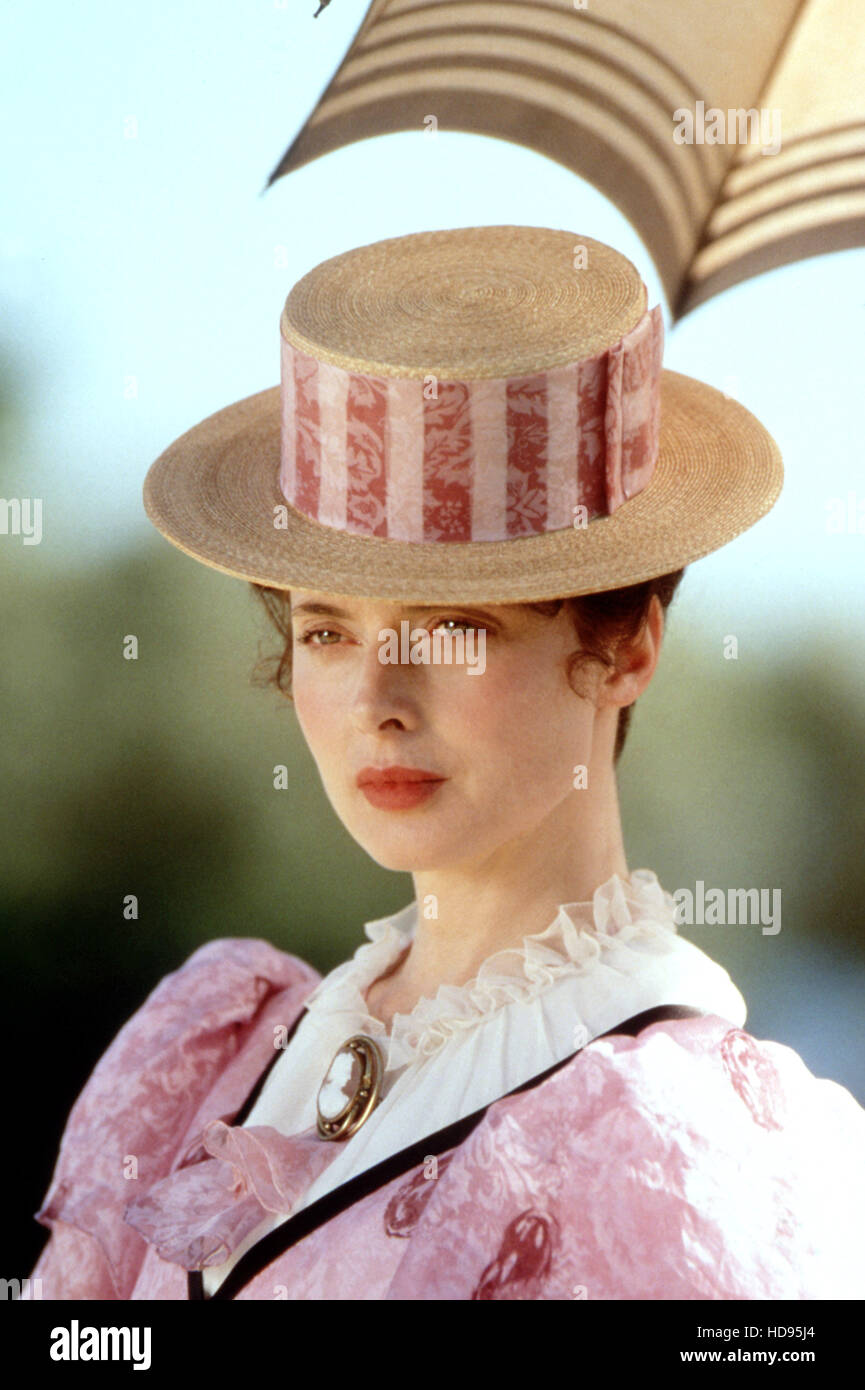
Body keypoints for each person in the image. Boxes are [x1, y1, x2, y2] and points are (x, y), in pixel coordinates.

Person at [27, 226, 865, 1300]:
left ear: (626, 650)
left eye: (452, 628)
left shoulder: (677, 1153)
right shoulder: (215, 1051)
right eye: (328, 631)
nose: (378, 703)